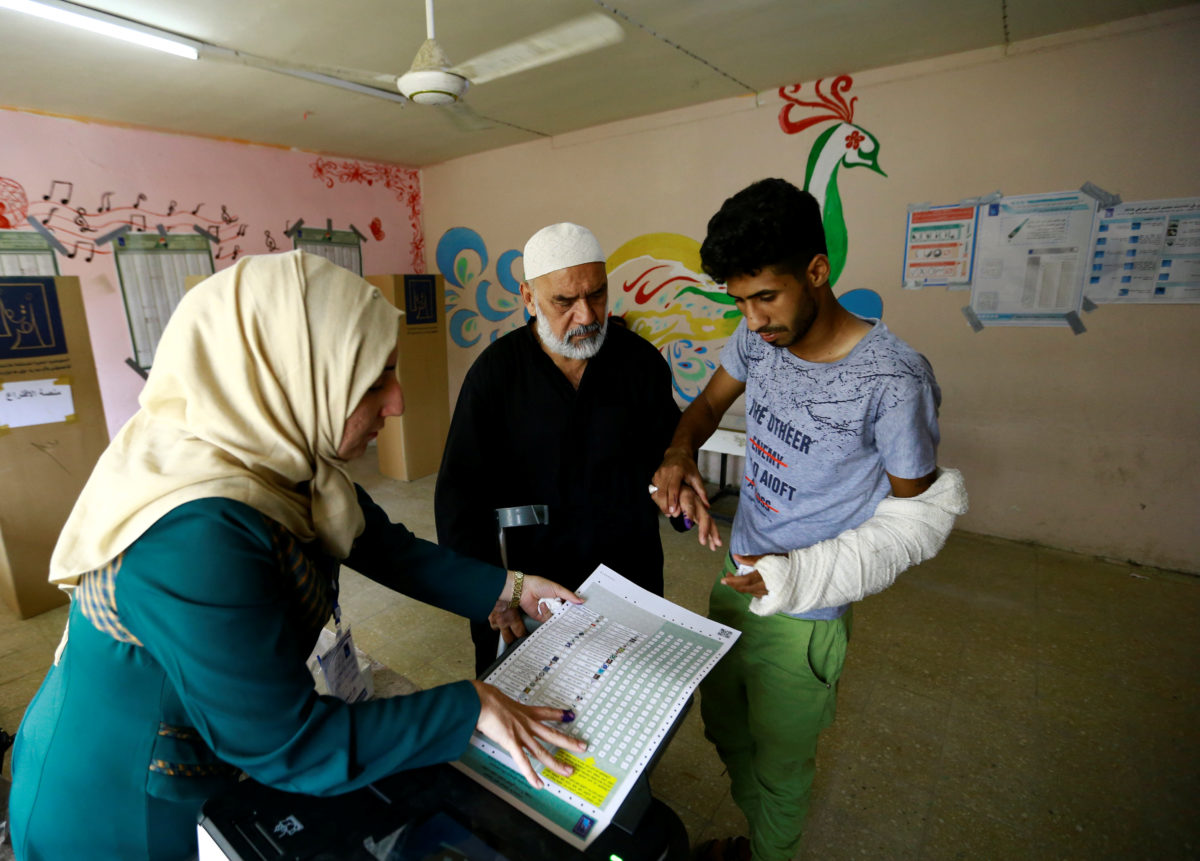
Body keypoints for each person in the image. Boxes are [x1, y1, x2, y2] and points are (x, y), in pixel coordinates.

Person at [9, 250, 587, 861]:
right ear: (288, 376)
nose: (397, 404)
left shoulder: (278, 454)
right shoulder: (195, 533)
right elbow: (290, 746)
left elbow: (388, 549)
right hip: (127, 801)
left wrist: (513, 587)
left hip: (212, 746)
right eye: (372, 382)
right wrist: (468, 705)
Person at [651, 179, 968, 861]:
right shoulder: (757, 338)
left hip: (808, 610)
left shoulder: (892, 381)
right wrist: (679, 455)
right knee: (724, 728)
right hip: (737, 579)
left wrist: (802, 575)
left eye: (766, 296)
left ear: (818, 272)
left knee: (783, 767)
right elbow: (706, 408)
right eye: (739, 300)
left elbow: (913, 523)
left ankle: (770, 846)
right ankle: (764, 832)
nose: (754, 318)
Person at [435, 222, 700, 677]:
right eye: (564, 301)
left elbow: (669, 460)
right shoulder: (495, 377)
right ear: (528, 297)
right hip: (529, 585)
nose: (587, 315)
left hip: (627, 578)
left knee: (626, 709)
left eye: (597, 295)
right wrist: (487, 593)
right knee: (531, 714)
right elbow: (459, 500)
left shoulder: (639, 365)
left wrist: (682, 499)